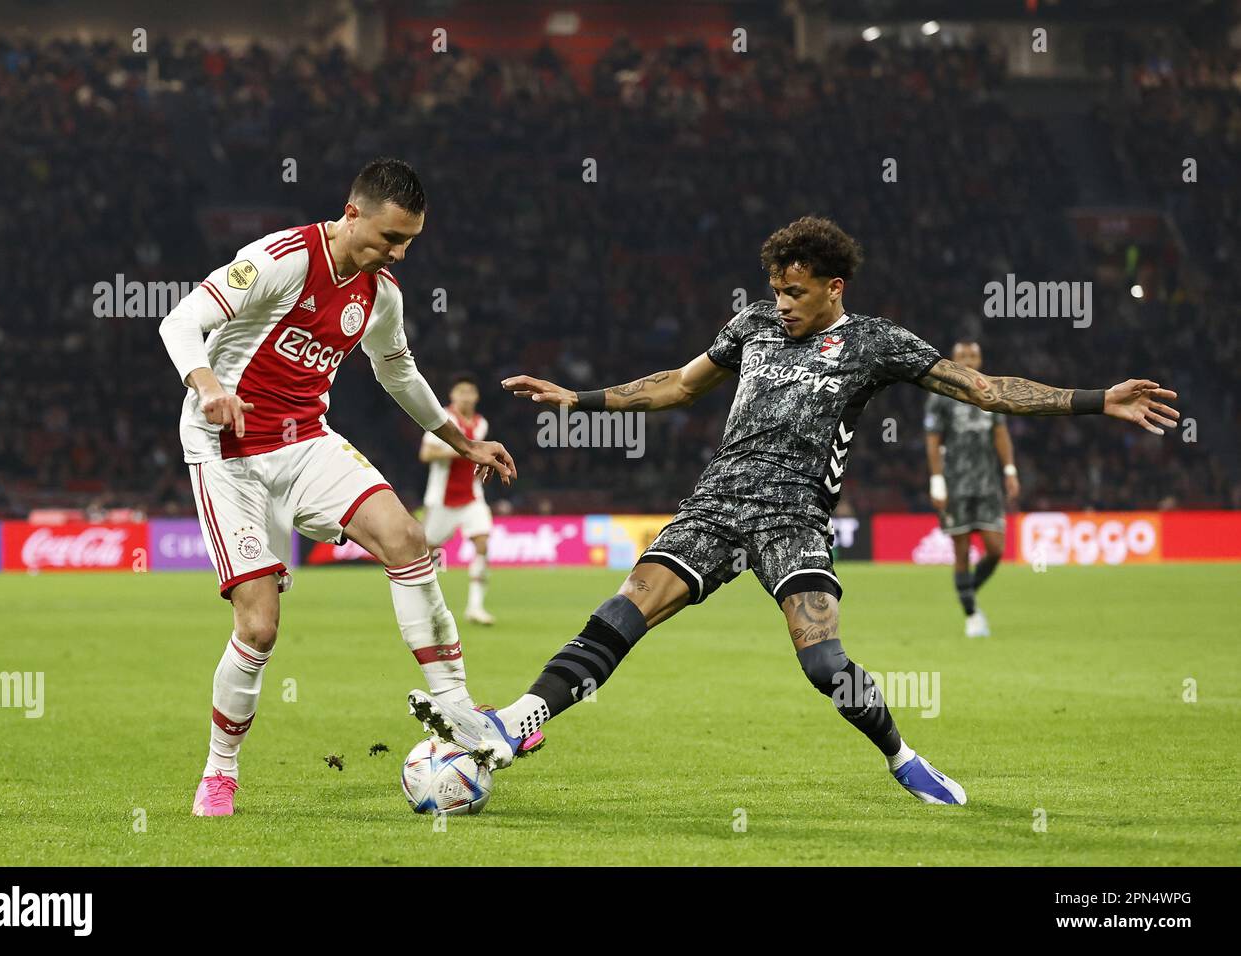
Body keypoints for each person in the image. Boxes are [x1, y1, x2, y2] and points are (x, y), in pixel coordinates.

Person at [406, 216, 1178, 805]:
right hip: (716, 502)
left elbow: (984, 390)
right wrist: (579, 397)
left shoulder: (877, 343)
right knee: (627, 605)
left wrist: (1093, 400)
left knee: (823, 664)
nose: (783, 304)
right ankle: (517, 720)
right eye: (777, 289)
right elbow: (677, 384)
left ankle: (903, 757)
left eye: (797, 292)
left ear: (834, 287)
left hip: (794, 517)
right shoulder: (751, 327)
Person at [158, 158, 527, 817]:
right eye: (391, 238)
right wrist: (208, 385)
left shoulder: (380, 293)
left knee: (406, 537)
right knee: (260, 627)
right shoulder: (279, 260)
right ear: (351, 214)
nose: (401, 253)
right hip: (228, 453)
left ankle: (458, 709)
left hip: (305, 440)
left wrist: (461, 439)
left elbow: (398, 372)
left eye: (410, 240)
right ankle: (220, 771)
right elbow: (179, 322)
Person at [924, 340, 1019, 637]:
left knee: (995, 548)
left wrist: (1010, 470)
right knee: (962, 552)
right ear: (953, 359)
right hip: (956, 484)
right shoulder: (941, 394)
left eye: (973, 355)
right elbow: (932, 441)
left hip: (988, 483)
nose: (968, 359)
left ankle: (967, 591)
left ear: (980, 358)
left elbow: (1001, 434)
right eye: (963, 355)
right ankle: (972, 614)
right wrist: (937, 481)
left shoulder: (992, 390)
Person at [419, 376, 497, 625]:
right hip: (442, 499)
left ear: (476, 397)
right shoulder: (442, 419)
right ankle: (425, 606)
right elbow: (427, 453)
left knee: (482, 543)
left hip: (472, 497)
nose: (465, 396)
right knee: (428, 553)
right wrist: (462, 448)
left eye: (470, 392)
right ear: (452, 396)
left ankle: (475, 607)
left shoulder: (481, 423)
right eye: (460, 392)